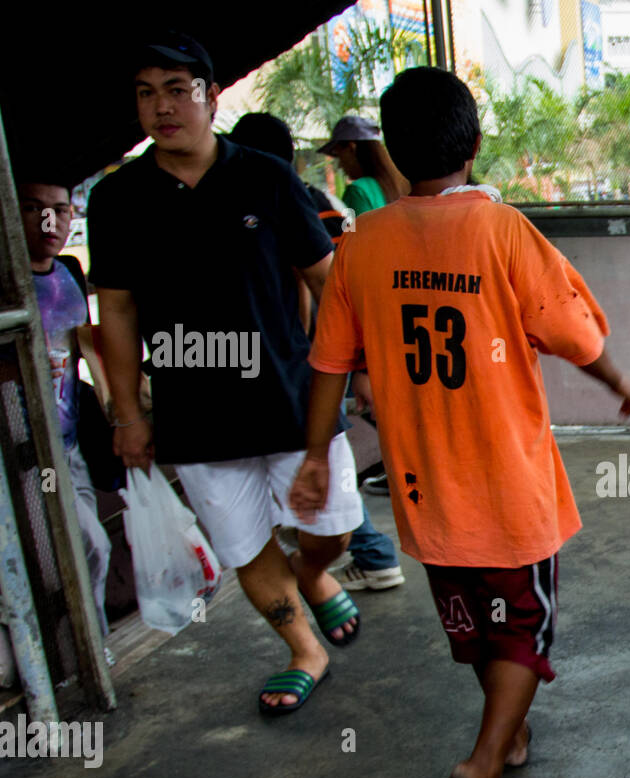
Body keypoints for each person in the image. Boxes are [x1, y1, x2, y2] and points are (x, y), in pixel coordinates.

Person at [290, 66, 630, 778]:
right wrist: (615, 377)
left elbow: (328, 363)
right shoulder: (501, 229)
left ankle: (508, 736)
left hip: (425, 491)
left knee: (481, 625)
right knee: (523, 630)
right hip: (508, 485)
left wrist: (318, 454)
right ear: (475, 146)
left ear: (391, 153)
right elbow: (578, 335)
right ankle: (483, 761)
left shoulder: (362, 243)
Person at [89, 30, 364, 714]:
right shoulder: (117, 199)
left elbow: (327, 280)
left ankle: (315, 573)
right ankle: (305, 648)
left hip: (291, 398)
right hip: (195, 416)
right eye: (146, 94)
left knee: (332, 525)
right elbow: (117, 310)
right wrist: (128, 413)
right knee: (244, 547)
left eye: (177, 91)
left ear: (211, 98)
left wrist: (362, 373)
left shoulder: (266, 177)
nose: (162, 108)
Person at [227, 112, 404, 591]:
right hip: (348, 344)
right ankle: (365, 549)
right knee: (323, 458)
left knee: (315, 461)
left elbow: (320, 289)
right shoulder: (331, 200)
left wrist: (347, 363)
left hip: (311, 361)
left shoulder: (287, 202)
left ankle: (367, 552)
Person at [14, 176, 113, 652]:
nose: (50, 221)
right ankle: (78, 651)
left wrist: (121, 405)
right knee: (76, 551)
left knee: (90, 550)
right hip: (22, 450)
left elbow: (85, 346)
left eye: (62, 208)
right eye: (34, 208)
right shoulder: (8, 283)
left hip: (68, 444)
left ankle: (90, 647)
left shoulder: (69, 273)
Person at [320, 115, 410, 498]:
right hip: (410, 299)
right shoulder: (401, 185)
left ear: (352, 148)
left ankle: (403, 470)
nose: (339, 165)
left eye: (339, 155)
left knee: (376, 398)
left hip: (378, 302)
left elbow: (357, 255)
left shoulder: (358, 193)